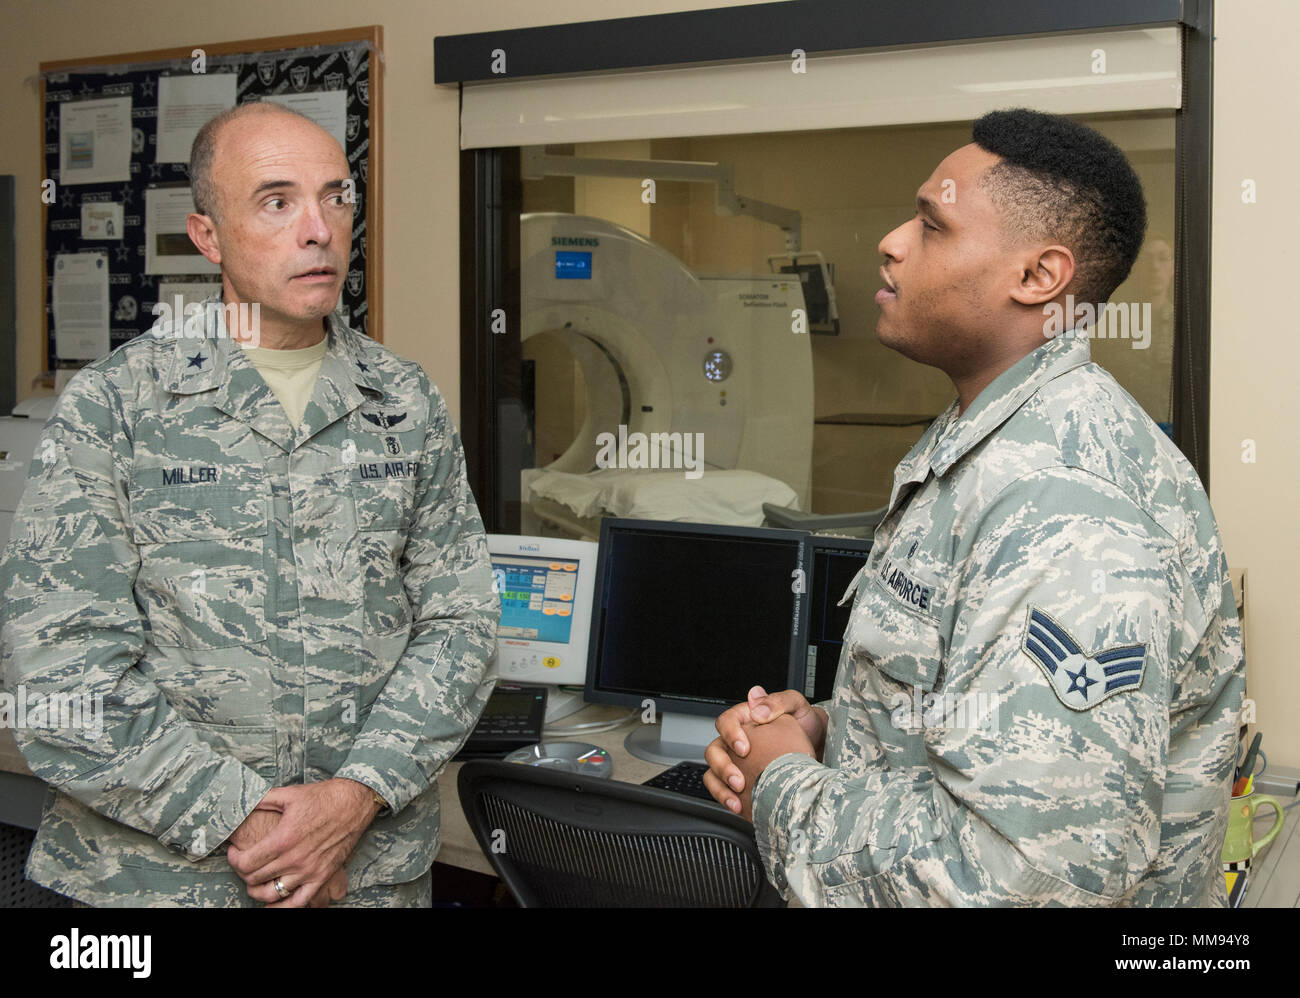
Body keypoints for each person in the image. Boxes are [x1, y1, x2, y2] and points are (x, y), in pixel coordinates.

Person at [703, 108, 1244, 907]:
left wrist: (782, 784)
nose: (892, 241)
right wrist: (833, 730)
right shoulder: (989, 440)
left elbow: (1026, 880)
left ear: (1038, 277)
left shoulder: (1066, 504)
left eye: (932, 225)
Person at [0, 101, 499, 907]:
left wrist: (356, 797)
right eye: (277, 201)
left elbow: (461, 625)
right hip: (156, 887)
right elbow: (63, 673)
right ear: (208, 236)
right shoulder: (118, 406)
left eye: (336, 197)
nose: (319, 229)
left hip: (365, 877)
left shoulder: (403, 402)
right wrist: (259, 831)